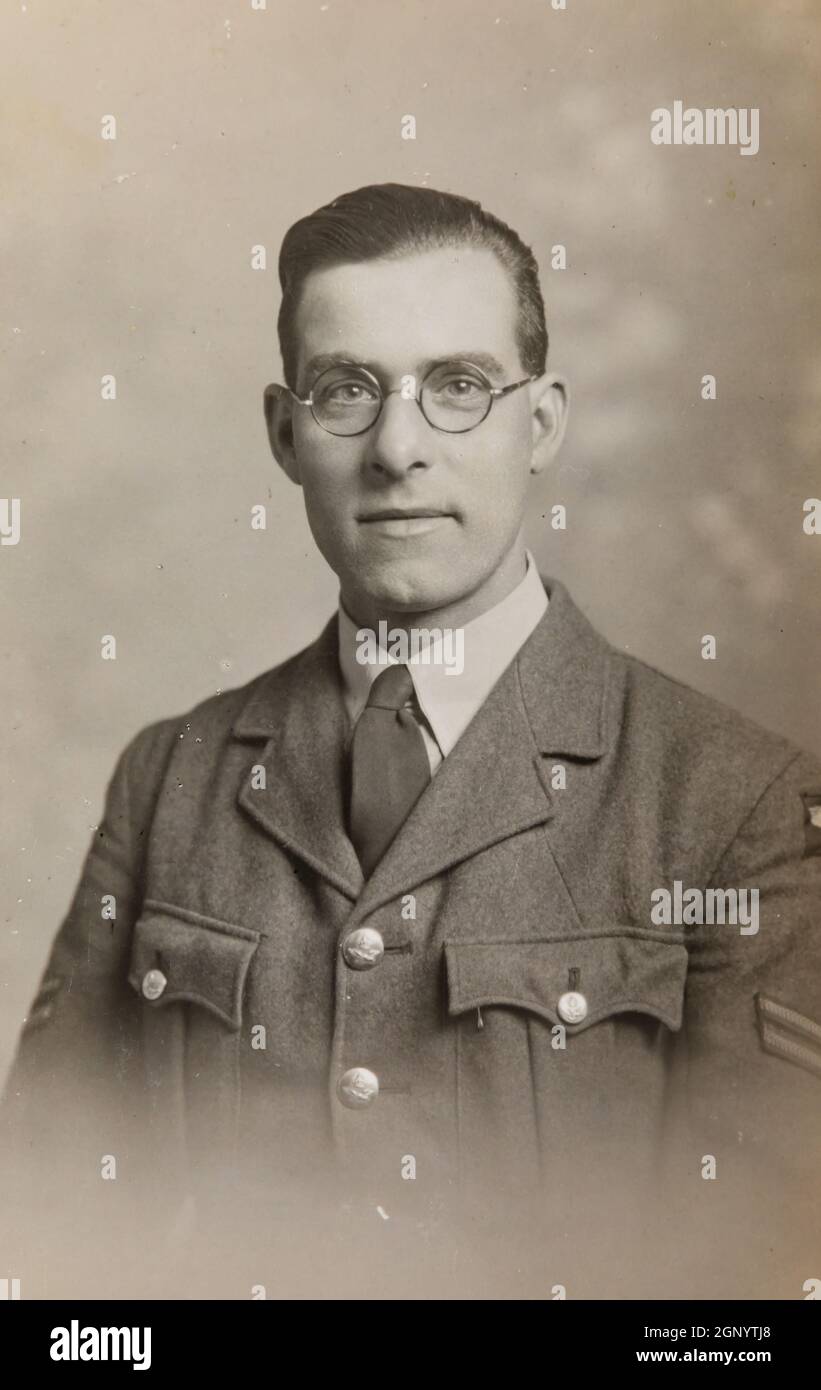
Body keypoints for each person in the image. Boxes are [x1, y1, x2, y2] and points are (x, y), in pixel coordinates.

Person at [3, 183, 820, 1299]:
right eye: (346, 390)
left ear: (539, 424)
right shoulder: (170, 777)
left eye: (458, 388)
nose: (395, 449)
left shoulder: (734, 801)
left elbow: (745, 1294)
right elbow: (46, 1226)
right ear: (285, 435)